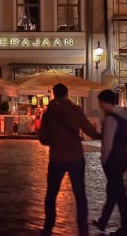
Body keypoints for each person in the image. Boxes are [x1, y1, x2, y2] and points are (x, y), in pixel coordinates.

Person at [38, 83, 101, 236]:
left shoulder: (48, 114)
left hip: (57, 158)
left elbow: (43, 139)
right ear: (67, 94)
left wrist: (56, 139)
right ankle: (82, 226)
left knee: (51, 193)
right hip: (76, 157)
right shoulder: (75, 110)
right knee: (80, 194)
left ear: (53, 94)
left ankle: (48, 225)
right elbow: (90, 131)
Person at [91, 90, 127, 236]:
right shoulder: (122, 114)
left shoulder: (110, 118)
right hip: (122, 157)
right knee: (113, 191)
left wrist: (103, 159)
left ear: (103, 102)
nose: (99, 105)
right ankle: (103, 221)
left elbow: (107, 142)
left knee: (120, 195)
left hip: (113, 160)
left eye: (99, 102)